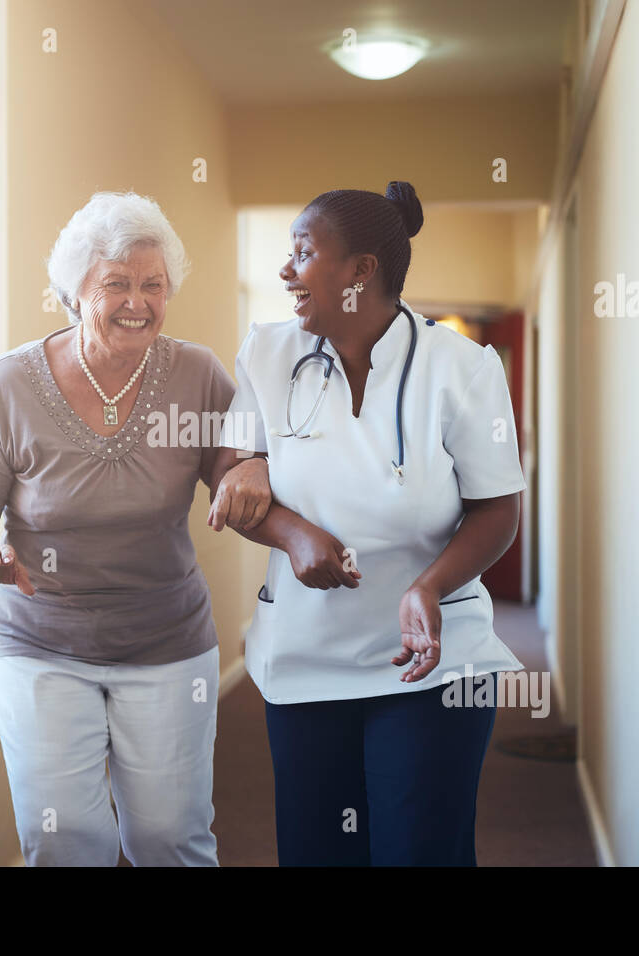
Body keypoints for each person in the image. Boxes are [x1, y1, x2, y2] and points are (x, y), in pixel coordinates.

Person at [0, 191, 271, 866]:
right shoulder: (7, 387)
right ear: (73, 290)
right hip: (38, 642)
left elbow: (238, 466)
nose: (137, 302)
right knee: (65, 842)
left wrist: (253, 465)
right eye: (116, 284)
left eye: (154, 285)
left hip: (167, 642)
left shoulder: (197, 375)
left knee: (168, 839)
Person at [208, 181, 526, 866]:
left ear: (361, 271)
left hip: (431, 659)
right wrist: (289, 527)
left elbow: (498, 507)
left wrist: (431, 587)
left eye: (302, 252)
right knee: (318, 850)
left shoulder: (462, 367)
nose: (285, 271)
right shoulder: (267, 354)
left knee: (421, 849)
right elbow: (235, 479)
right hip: (305, 655)